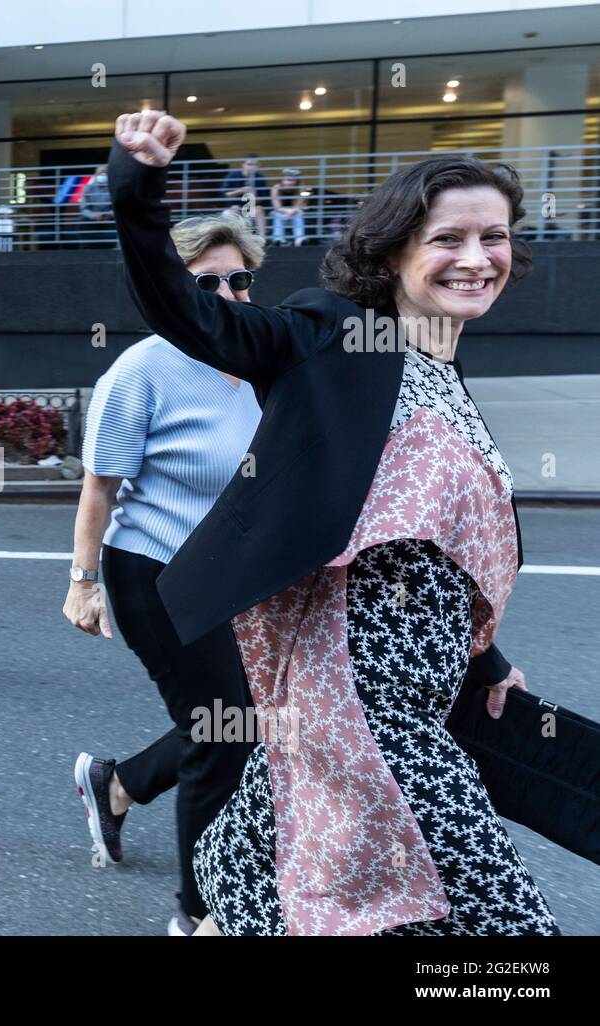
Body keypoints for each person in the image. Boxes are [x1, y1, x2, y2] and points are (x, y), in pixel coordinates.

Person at [109, 109, 555, 936]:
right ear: (393, 253)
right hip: (355, 702)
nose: (475, 257)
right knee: (496, 923)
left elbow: (427, 554)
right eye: (448, 238)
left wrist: (486, 661)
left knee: (259, 890)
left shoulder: (451, 380)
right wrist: (138, 187)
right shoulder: (333, 337)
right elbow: (189, 314)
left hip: (412, 700)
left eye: (492, 238)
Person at [65, 210, 263, 936]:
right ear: (173, 287)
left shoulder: (255, 361)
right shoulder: (141, 371)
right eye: (205, 280)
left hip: (236, 576)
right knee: (226, 733)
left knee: (243, 721)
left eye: (239, 279)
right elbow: (99, 488)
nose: (226, 292)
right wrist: (82, 582)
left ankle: (115, 784)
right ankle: (200, 915)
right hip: (154, 574)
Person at [220, 154, 268, 239]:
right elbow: (224, 194)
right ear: (243, 165)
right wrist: (241, 190)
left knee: (259, 209)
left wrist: (254, 194)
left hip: (251, 209)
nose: (252, 167)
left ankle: (263, 239)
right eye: (249, 164)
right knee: (232, 211)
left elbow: (263, 200)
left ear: (259, 166)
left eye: (255, 165)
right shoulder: (233, 175)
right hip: (235, 208)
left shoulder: (260, 178)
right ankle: (235, 240)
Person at [269, 169, 307, 246]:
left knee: (298, 213)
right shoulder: (276, 188)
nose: (289, 182)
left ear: (296, 181)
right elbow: (277, 207)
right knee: (277, 214)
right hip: (280, 212)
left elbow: (298, 206)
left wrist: (291, 213)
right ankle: (278, 239)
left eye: (293, 180)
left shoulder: (301, 188)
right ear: (282, 180)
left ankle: (299, 239)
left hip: (294, 212)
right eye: (287, 180)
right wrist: (288, 213)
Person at [78, 165, 113, 247]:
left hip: (109, 217)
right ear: (95, 175)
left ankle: (115, 246)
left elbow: (117, 206)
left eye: (106, 173)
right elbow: (84, 208)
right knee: (81, 222)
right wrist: (94, 216)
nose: (103, 175)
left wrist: (108, 215)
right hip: (93, 217)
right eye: (100, 173)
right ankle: (85, 247)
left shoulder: (114, 187)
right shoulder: (88, 188)